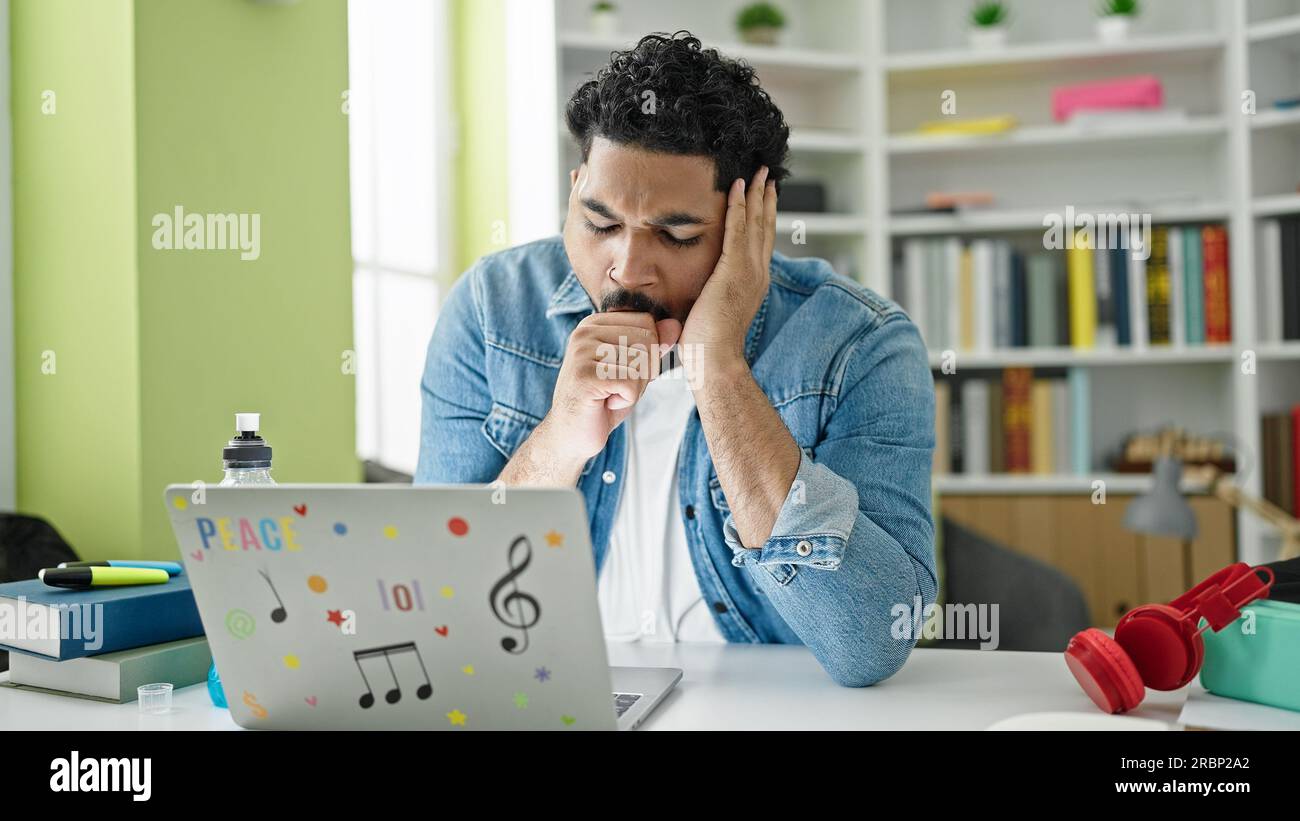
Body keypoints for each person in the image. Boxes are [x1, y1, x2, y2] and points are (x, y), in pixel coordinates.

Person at [416, 31, 936, 687]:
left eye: (676, 234)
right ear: (575, 192)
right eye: (600, 223)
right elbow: (435, 606)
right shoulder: (492, 309)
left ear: (752, 225)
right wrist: (559, 441)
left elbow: (870, 643)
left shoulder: (862, 344)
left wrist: (719, 370)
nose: (627, 267)